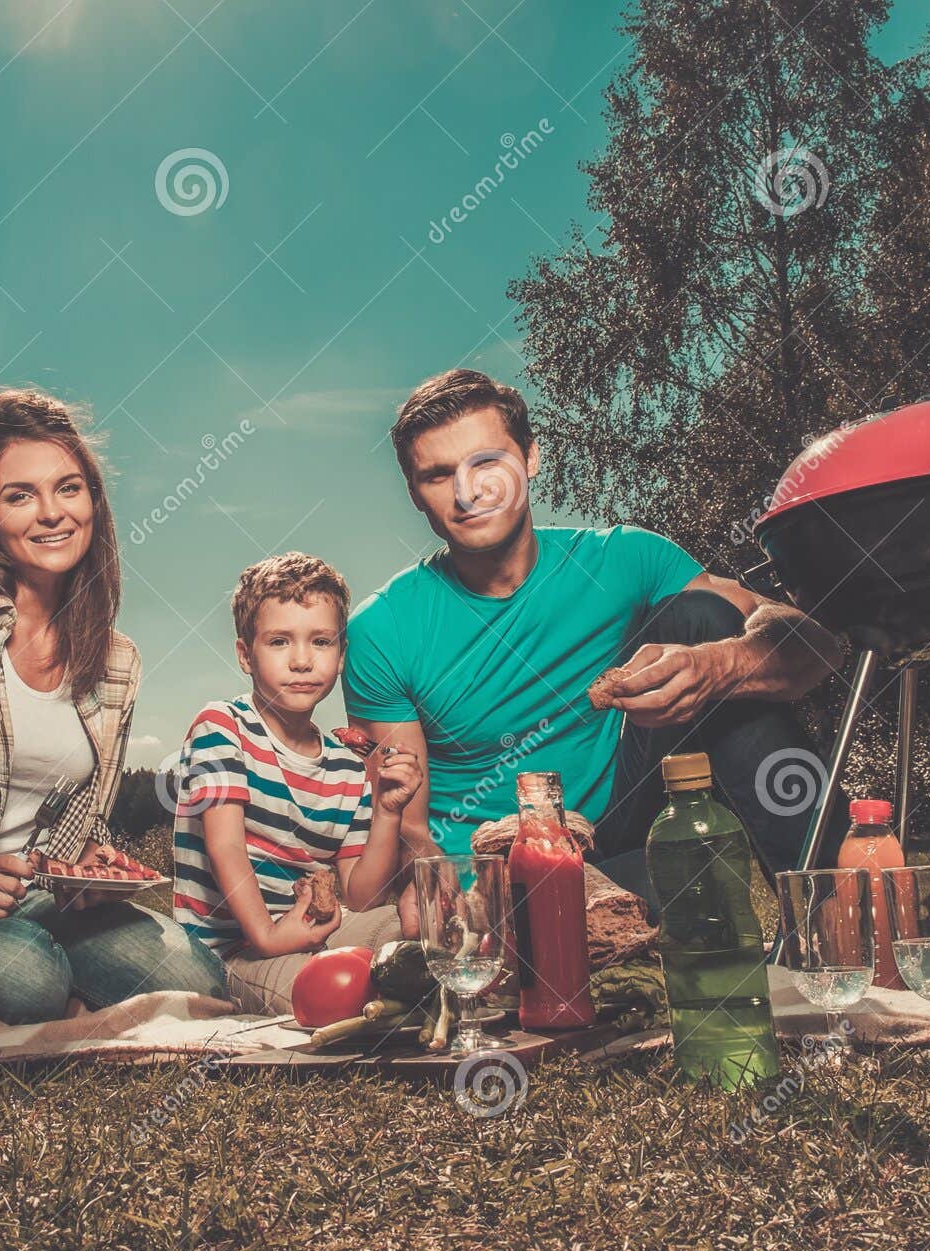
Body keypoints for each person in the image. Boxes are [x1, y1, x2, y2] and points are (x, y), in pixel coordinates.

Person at [341, 368, 851, 924]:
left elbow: (818, 645)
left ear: (530, 458)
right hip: (499, 881)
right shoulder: (382, 628)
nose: (468, 492)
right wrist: (434, 883)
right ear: (415, 493)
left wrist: (720, 666)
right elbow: (407, 822)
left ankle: (834, 915)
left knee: (703, 618)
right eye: (439, 475)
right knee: (657, 913)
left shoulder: (626, 558)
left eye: (487, 462)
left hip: (620, 826)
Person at [0, 387, 226, 1023]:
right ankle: (64, 994)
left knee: (198, 976)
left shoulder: (117, 661)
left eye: (68, 488)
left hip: (41, 905)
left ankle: (67, 990)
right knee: (28, 979)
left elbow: (79, 819)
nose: (52, 513)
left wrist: (91, 866)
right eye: (20, 496)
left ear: (93, 502)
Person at [170, 553, 423, 1015]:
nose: (302, 661)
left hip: (315, 933)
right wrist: (269, 936)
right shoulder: (222, 727)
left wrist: (388, 811)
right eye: (280, 641)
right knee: (333, 994)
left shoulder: (348, 767)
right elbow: (226, 847)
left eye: (321, 642)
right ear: (245, 654)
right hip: (232, 952)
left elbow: (362, 896)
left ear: (341, 655)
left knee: (412, 937)